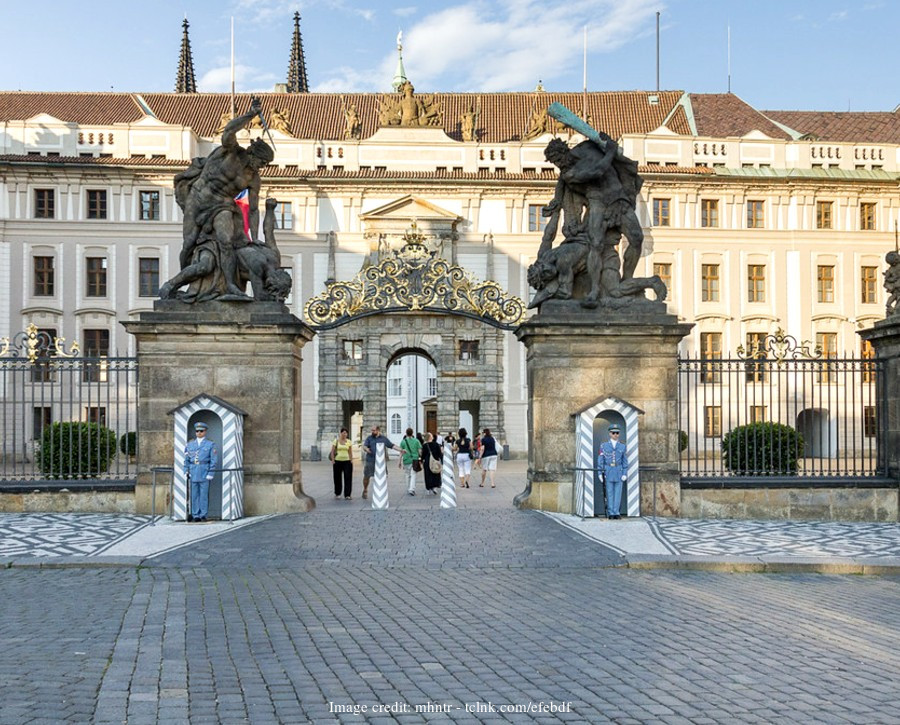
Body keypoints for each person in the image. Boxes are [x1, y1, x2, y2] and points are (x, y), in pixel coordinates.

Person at [173, 97, 274, 298]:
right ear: (252, 152)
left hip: (223, 205)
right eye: (261, 162)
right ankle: (179, 284)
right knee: (189, 243)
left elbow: (253, 210)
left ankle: (230, 285)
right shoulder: (231, 152)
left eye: (264, 164)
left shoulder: (253, 178)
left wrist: (254, 238)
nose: (261, 167)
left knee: (226, 241)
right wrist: (250, 115)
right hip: (199, 198)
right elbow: (229, 130)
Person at [543, 136, 644, 307]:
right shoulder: (569, 175)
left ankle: (627, 280)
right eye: (555, 162)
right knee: (595, 244)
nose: (559, 164)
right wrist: (611, 151)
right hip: (598, 203)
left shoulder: (586, 148)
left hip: (619, 199)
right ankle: (595, 290)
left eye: (559, 159)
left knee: (637, 239)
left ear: (565, 151)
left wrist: (604, 141)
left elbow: (602, 150)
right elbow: (598, 171)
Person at [184, 422, 218, 522]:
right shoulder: (190, 444)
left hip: (204, 470)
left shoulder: (210, 444)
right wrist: (186, 470)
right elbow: (186, 459)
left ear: (205, 432)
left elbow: (213, 460)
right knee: (194, 495)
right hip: (193, 470)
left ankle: (203, 514)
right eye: (197, 431)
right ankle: (195, 515)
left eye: (201, 431)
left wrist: (211, 473)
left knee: (203, 494)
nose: (199, 433)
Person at [597, 424, 627, 519]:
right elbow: (600, 460)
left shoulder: (622, 446)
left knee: (618, 493)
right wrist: (599, 473)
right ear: (609, 433)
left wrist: (624, 473)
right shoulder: (604, 445)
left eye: (617, 433)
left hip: (618, 471)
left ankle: (616, 512)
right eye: (613, 433)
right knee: (609, 492)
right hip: (608, 471)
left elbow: (624, 461)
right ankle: (610, 512)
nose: (615, 435)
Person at [362, 424, 397, 500]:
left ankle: (380, 492)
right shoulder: (369, 438)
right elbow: (364, 446)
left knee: (383, 477)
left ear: (378, 430)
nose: (372, 431)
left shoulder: (383, 439)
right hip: (370, 460)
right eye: (372, 430)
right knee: (366, 476)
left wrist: (400, 450)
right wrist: (366, 449)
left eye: (373, 430)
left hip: (381, 462)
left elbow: (392, 445)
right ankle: (365, 489)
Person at [329, 427, 353, 500]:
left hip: (347, 461)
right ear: (341, 433)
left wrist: (351, 460)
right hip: (337, 461)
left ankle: (347, 494)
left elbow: (350, 452)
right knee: (337, 477)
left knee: (348, 478)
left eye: (346, 433)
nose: (345, 434)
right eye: (343, 433)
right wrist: (333, 460)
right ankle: (337, 493)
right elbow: (332, 451)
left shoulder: (349, 441)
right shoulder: (336, 441)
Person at [399, 427, 423, 496]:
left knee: (407, 474)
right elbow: (420, 451)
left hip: (406, 460)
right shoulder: (416, 441)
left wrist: (399, 461)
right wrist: (420, 458)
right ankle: (411, 489)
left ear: (406, 433)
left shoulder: (403, 441)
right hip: (414, 459)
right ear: (412, 433)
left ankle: (408, 488)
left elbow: (401, 452)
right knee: (413, 474)